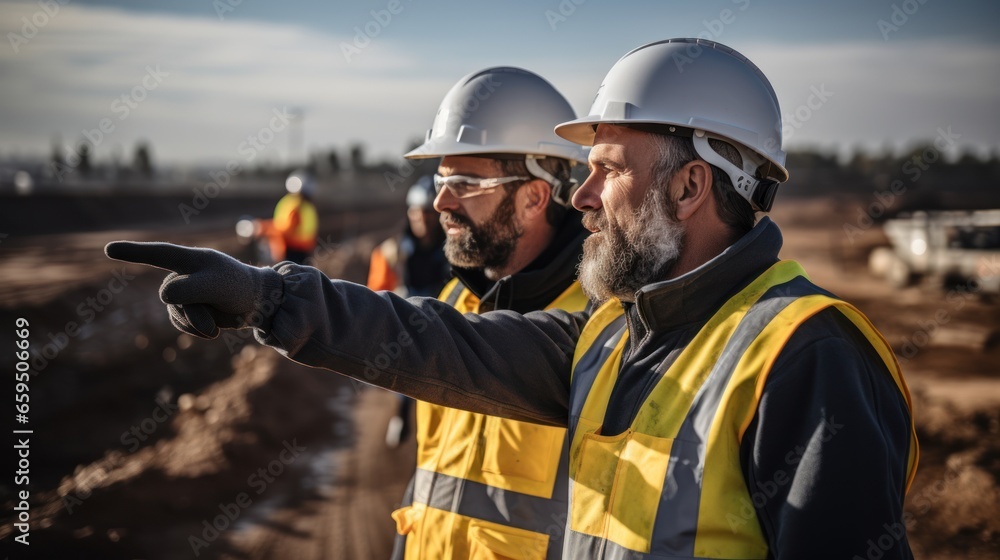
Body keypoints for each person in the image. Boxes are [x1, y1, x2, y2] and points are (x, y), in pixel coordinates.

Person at [107, 39, 919, 559]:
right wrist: (263, 295)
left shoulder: (806, 354)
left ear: (692, 185)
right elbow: (437, 343)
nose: (582, 196)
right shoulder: (612, 337)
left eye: (607, 167)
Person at [367, 175, 450, 448]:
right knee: (408, 369)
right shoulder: (393, 252)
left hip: (442, 317)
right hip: (407, 318)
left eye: (428, 213)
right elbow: (374, 294)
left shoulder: (451, 249)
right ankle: (402, 414)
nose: (422, 219)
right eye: (417, 212)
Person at [260, 170, 318, 264]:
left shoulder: (295, 205)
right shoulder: (305, 205)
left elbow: (287, 228)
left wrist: (265, 228)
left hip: (294, 249)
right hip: (301, 249)